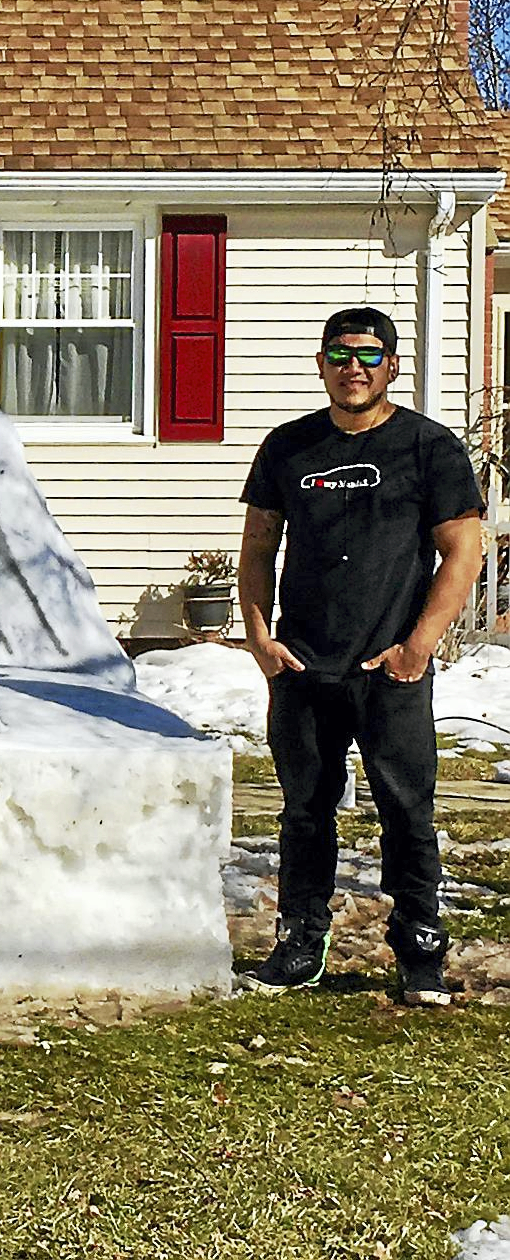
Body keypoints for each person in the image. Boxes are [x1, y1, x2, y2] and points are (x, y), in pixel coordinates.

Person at [238, 307, 484, 1006]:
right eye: (341, 355)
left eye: (370, 356)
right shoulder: (289, 448)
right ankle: (300, 941)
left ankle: (420, 949)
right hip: (304, 668)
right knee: (306, 811)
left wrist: (419, 646)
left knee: (407, 809)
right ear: (321, 365)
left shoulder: (427, 448)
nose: (355, 368)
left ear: (392, 367)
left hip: (390, 668)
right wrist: (260, 637)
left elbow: (463, 552)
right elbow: (257, 548)